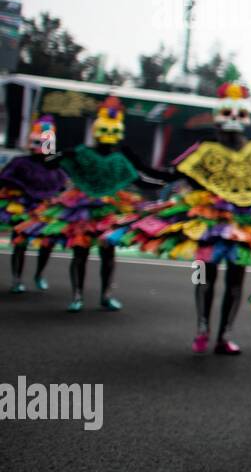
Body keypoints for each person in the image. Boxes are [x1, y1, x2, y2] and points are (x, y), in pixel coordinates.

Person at [118, 82, 251, 354]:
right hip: (209, 222)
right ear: (218, 117)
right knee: (205, 276)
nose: (233, 121)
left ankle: (224, 335)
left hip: (246, 225)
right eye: (228, 114)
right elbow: (170, 174)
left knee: (235, 280)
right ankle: (202, 329)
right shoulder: (205, 150)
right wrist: (134, 163)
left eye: (239, 115)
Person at [16, 96, 167, 311]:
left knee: (108, 253)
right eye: (105, 131)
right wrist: (57, 153)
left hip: (109, 210)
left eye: (114, 133)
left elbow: (139, 179)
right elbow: (49, 162)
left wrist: (163, 181)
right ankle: (77, 295)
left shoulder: (119, 160)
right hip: (83, 209)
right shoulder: (82, 153)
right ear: (97, 132)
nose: (109, 138)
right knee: (80, 252)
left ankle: (106, 295)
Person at [2, 115, 66, 293]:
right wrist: (22, 189)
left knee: (47, 243)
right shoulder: (20, 162)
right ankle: (17, 279)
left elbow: (61, 186)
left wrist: (57, 198)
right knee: (19, 243)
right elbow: (5, 178)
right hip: (22, 207)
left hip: (46, 210)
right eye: (37, 142)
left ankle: (39, 274)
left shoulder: (55, 167)